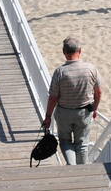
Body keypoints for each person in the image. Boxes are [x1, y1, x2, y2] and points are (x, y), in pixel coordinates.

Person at [41, 37, 102, 166]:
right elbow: (99, 92)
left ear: (64, 52)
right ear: (80, 51)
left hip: (64, 113)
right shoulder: (91, 69)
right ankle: (82, 170)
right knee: (82, 143)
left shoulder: (60, 72)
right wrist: (95, 108)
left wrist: (48, 117)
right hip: (84, 112)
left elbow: (53, 97)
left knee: (65, 141)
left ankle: (71, 166)